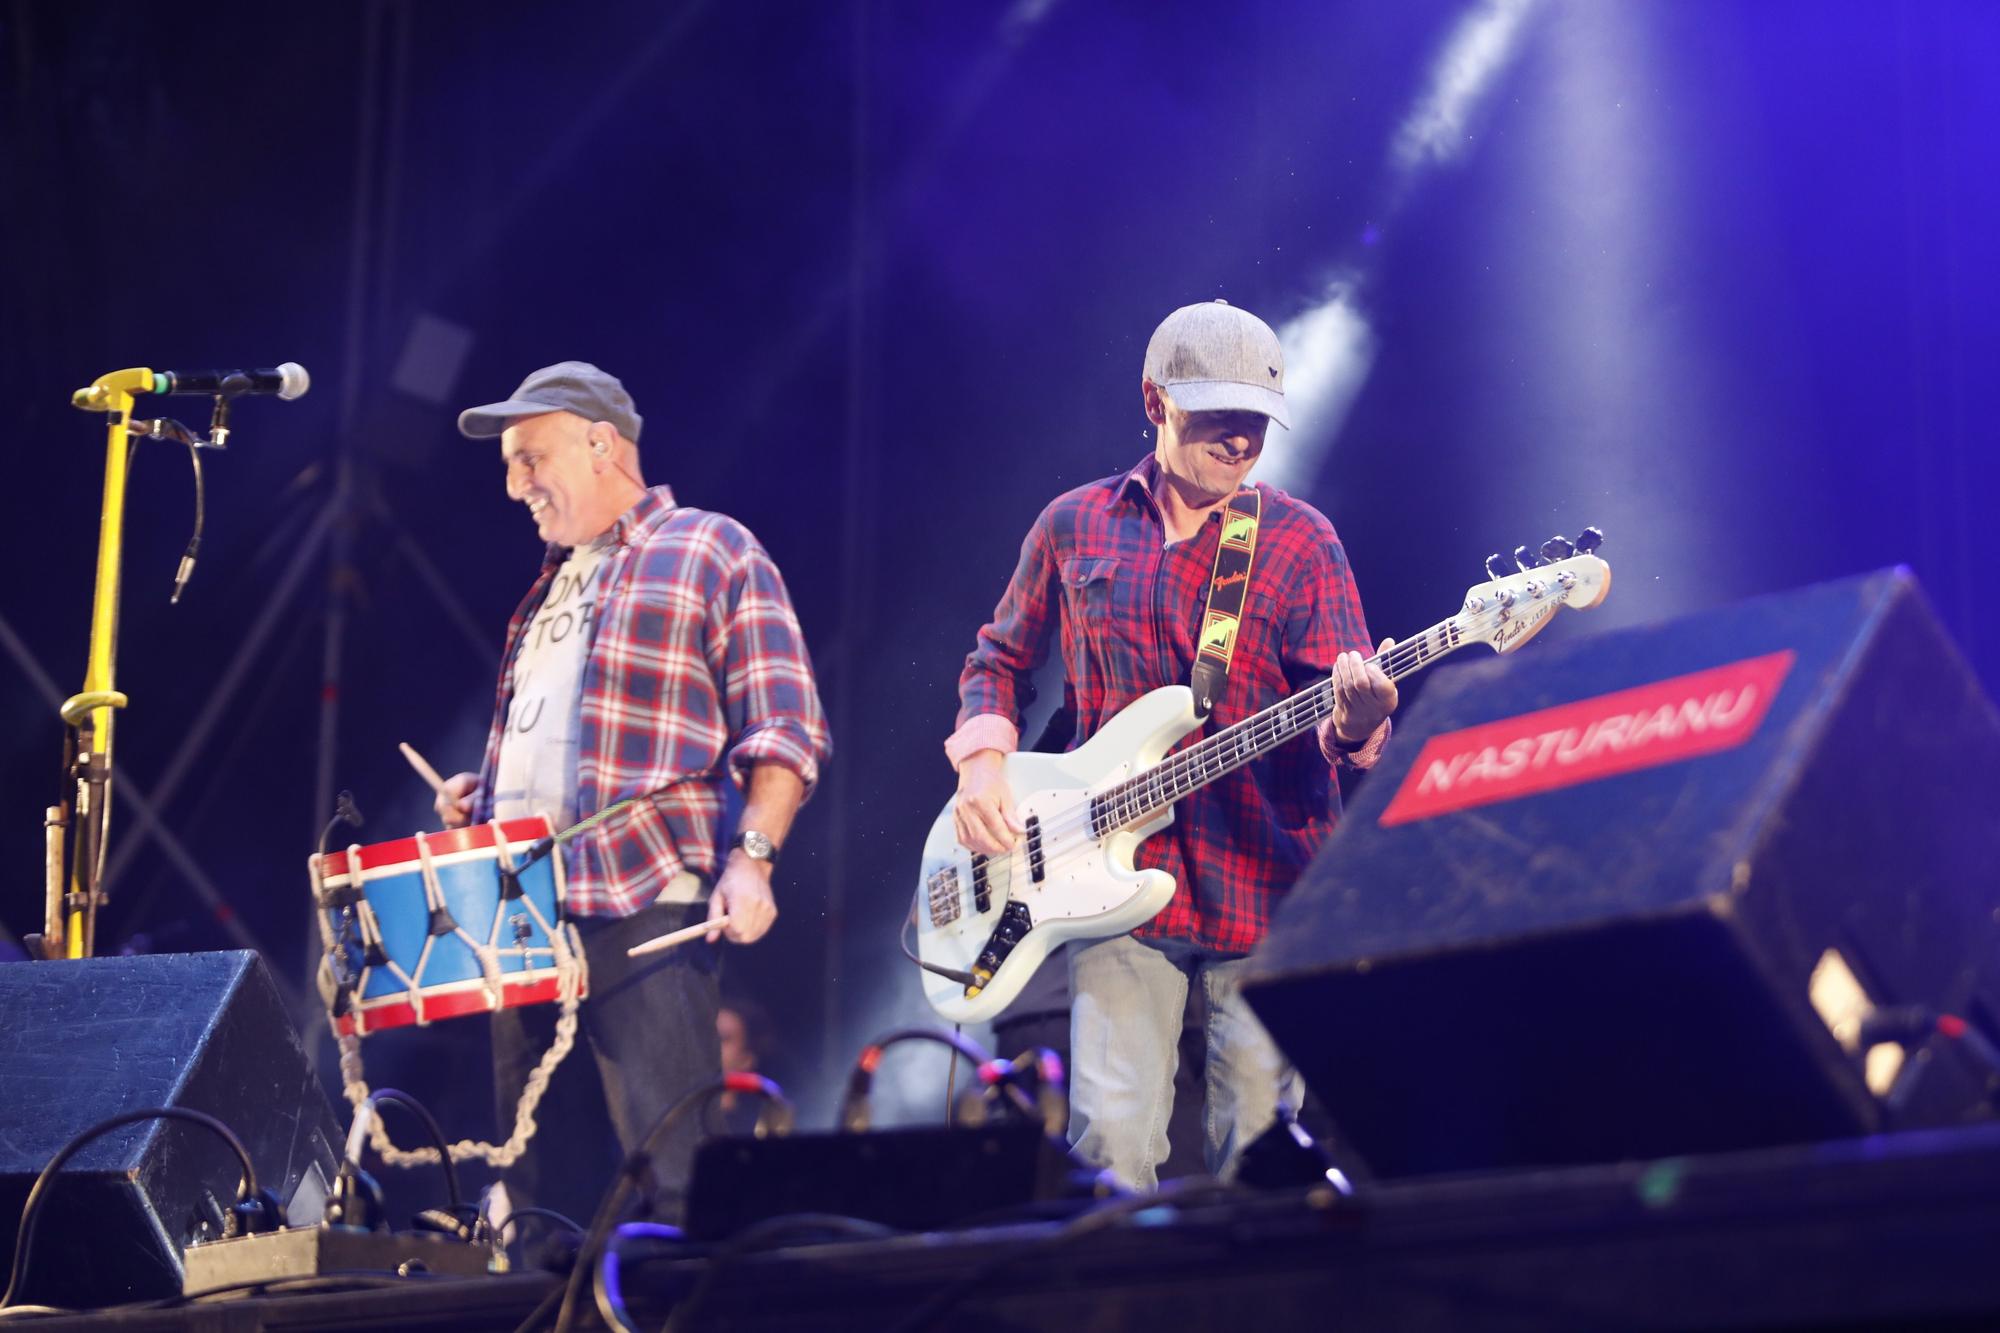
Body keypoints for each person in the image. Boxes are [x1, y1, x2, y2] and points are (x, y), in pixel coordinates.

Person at [947, 301, 1398, 1191]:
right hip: (1107, 886)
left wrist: (1355, 722)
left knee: (1263, 1156)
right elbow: (999, 656)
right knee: (1110, 1148)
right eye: (1219, 418)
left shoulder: (1301, 539)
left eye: (1256, 424)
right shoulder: (1074, 524)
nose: (1240, 443)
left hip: (1267, 882)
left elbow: (1348, 732)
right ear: (1155, 401)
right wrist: (983, 761)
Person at [437, 361, 831, 1231]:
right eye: (509, 466)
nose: (514, 485)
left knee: (674, 1180)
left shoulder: (707, 547)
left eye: (528, 457)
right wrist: (489, 795)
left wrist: (753, 859)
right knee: (538, 1198)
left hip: (646, 905)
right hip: (526, 919)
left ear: (600, 443)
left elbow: (787, 725)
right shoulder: (546, 587)